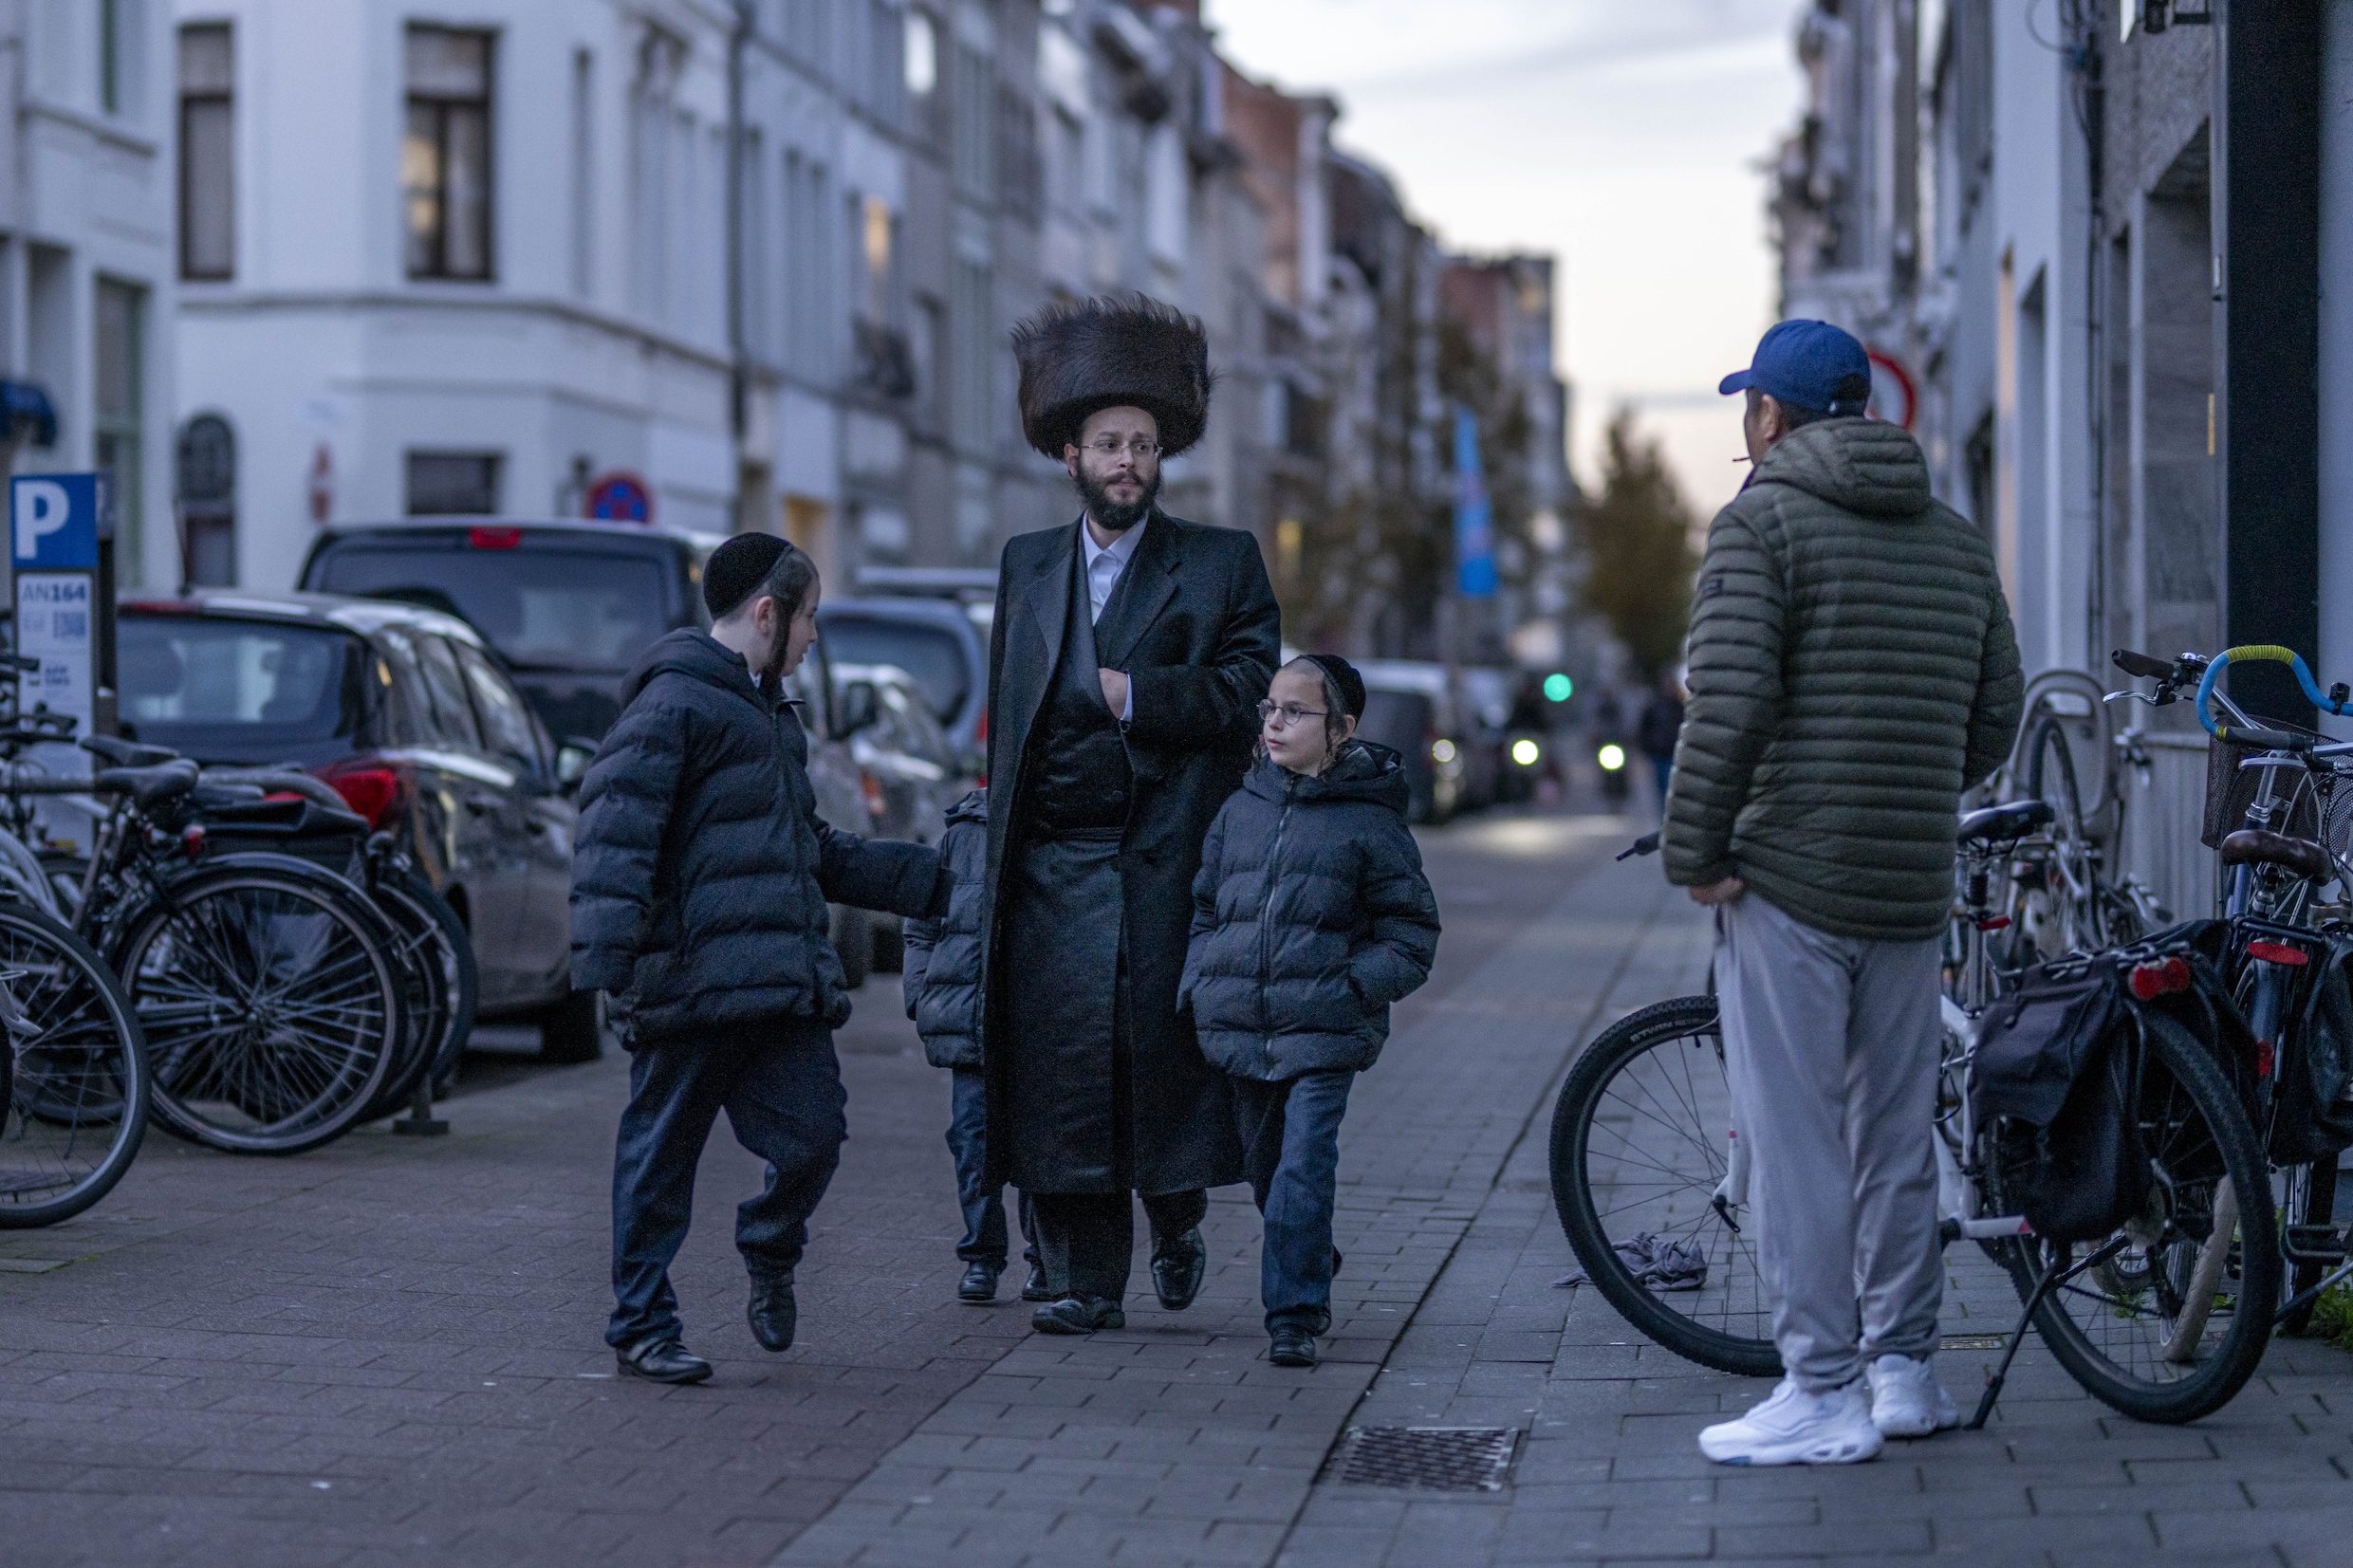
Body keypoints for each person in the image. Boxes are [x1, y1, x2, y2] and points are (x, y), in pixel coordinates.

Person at [1664, 319, 2021, 1464]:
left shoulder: (1757, 523)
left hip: (1791, 880)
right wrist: (1905, 782)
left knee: (1798, 1142)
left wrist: (1695, 852)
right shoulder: (1957, 541)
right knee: (1896, 1138)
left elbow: (1724, 709)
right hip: (1909, 883)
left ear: (1766, 416)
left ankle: (1816, 1390)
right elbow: (1994, 719)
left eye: (1746, 408)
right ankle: (1904, 1371)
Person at [571, 534, 949, 1385]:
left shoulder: (768, 708)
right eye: (810, 617)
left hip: (778, 982)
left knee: (814, 1138)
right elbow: (613, 826)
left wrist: (931, 880)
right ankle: (640, 1324)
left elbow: (803, 844)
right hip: (692, 981)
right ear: (769, 613)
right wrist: (610, 962)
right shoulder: (676, 703)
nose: (814, 637)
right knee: (659, 1159)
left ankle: (770, 1248)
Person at [982, 294, 1282, 1336]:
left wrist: (1136, 696)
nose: (1126, 463)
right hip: (1054, 871)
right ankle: (1087, 1286)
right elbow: (1005, 722)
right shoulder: (1024, 566)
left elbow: (1249, 691)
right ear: (1068, 455)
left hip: (1164, 863)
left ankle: (1180, 1217)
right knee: (1069, 1080)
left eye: (1143, 446)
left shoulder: (1220, 561)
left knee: (1155, 1074)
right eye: (1108, 444)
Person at [1181, 655, 1439, 1369]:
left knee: (1301, 1168)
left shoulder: (1370, 821)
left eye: (1295, 711)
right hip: (1242, 1029)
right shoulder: (1240, 809)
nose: (1274, 722)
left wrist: (1351, 987)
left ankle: (1293, 1314)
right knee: (1268, 1173)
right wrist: (1201, 978)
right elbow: (1204, 906)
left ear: (1342, 728)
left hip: (1324, 1033)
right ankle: (1310, 1253)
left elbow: (1413, 933)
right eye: (1269, 708)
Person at [901, 786, 1049, 1304]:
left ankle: (1045, 1259)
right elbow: (921, 924)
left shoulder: (1053, 821)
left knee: (1040, 1144)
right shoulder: (961, 835)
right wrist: (920, 994)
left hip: (1037, 1021)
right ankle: (983, 1257)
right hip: (972, 1022)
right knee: (971, 1140)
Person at [1637, 671, 1685, 814]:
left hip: (1674, 753)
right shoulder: (1654, 707)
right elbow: (1644, 728)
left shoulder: (1679, 707)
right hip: (1659, 754)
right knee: (1662, 789)